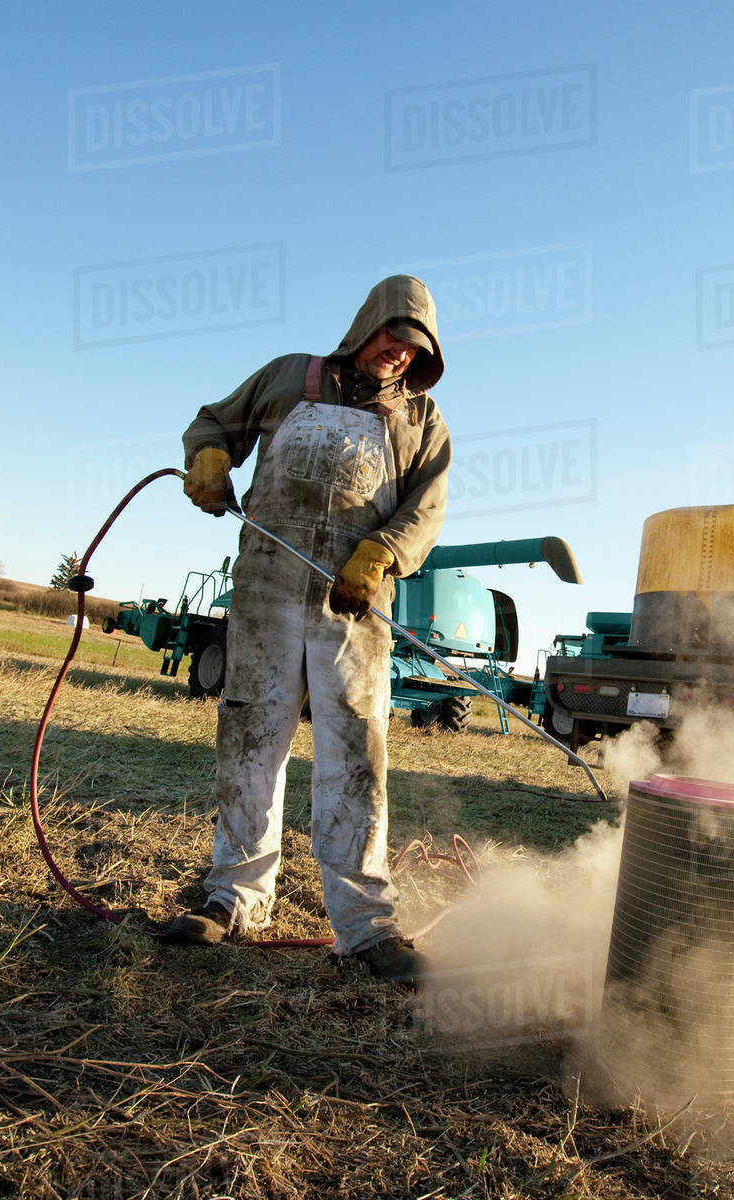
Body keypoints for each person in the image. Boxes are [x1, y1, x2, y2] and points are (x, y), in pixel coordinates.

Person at [164, 275, 451, 985]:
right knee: (251, 738)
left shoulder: (422, 419)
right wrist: (208, 460)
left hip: (352, 604)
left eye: (415, 348)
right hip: (266, 588)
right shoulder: (288, 377)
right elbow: (212, 424)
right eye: (393, 336)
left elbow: (426, 508)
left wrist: (382, 551)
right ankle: (232, 897)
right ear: (365, 326)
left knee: (353, 754)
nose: (399, 355)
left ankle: (364, 926)